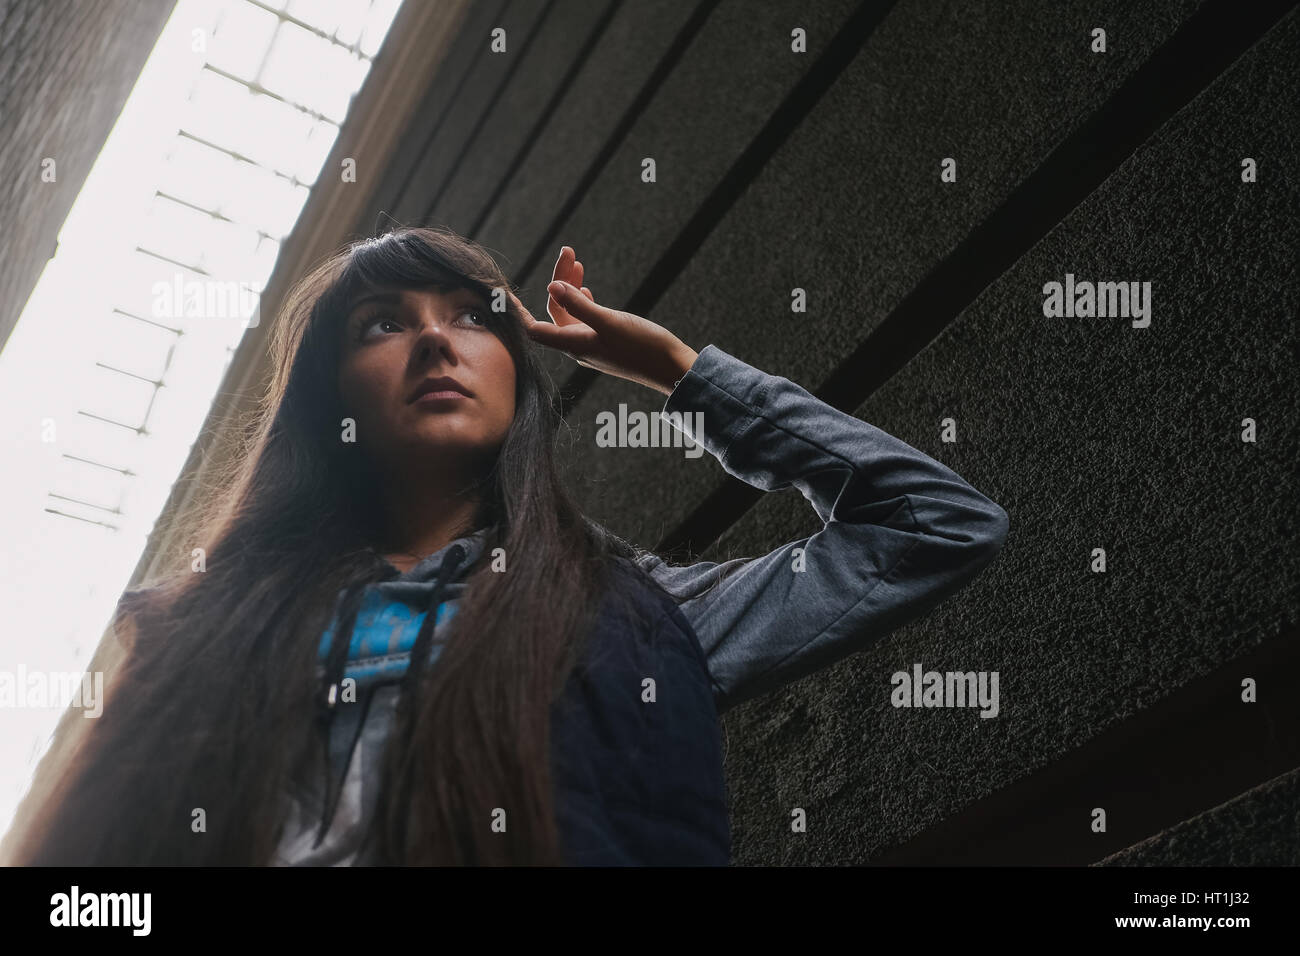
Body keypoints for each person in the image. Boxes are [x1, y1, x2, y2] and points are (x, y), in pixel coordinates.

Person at [0, 226, 1008, 866]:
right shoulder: (194, 621)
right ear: (328, 399)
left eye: (471, 319)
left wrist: (676, 371)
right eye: (382, 323)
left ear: (517, 380)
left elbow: (932, 524)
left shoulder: (630, 615)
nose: (436, 340)